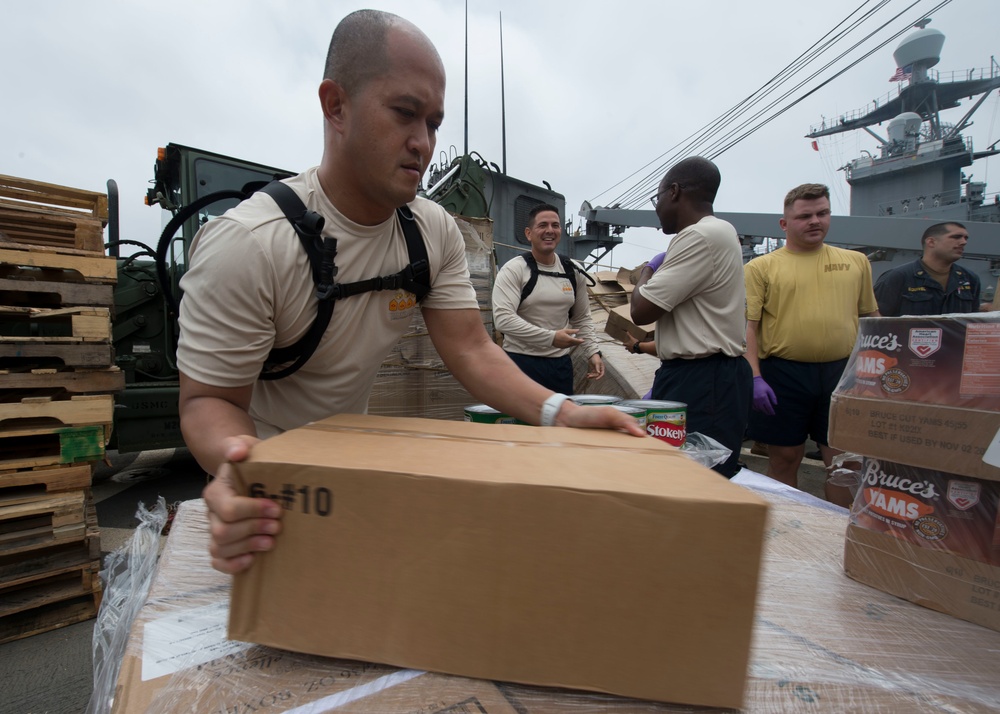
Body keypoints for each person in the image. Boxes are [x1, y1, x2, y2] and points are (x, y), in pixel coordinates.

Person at [178, 10, 644, 575]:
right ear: (335, 105)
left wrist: (562, 415)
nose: (422, 143)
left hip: (355, 482)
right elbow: (210, 402)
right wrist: (242, 475)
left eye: (434, 122)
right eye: (404, 113)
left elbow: (471, 349)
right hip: (270, 500)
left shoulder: (431, 231)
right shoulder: (251, 245)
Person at [744, 183, 879, 506]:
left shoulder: (855, 262)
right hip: (783, 375)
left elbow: (872, 318)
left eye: (822, 213)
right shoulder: (761, 267)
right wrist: (755, 377)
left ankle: (836, 537)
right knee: (785, 458)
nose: (815, 221)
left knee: (843, 465)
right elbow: (748, 327)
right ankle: (788, 531)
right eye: (805, 216)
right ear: (784, 224)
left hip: (841, 374)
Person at [626, 157, 752, 479]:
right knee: (684, 476)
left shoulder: (698, 236)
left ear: (675, 191)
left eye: (658, 198)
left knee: (697, 479)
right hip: (704, 377)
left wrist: (647, 272)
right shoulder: (720, 233)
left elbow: (641, 311)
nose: (657, 208)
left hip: (702, 381)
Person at [492, 204, 604, 394]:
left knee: (559, 422)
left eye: (555, 225)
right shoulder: (514, 269)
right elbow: (503, 320)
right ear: (529, 233)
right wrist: (551, 338)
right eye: (542, 225)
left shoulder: (572, 270)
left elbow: (582, 317)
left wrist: (592, 352)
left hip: (559, 367)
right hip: (520, 363)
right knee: (520, 423)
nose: (549, 231)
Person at [873, 222, 982, 316]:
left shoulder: (970, 279)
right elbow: (875, 321)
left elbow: (972, 321)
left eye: (965, 238)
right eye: (956, 237)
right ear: (931, 242)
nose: (964, 242)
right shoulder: (897, 277)